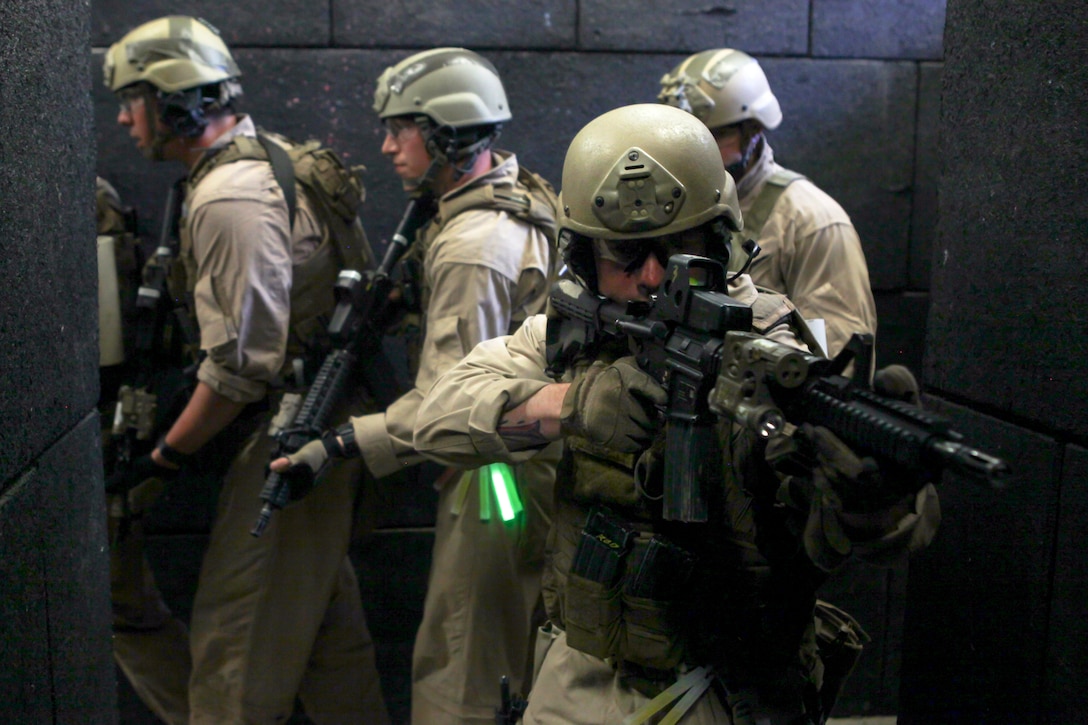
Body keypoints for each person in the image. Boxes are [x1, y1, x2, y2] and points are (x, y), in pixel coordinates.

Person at [411, 103, 941, 724]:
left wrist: (867, 502)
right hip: (577, 678)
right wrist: (572, 405)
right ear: (582, 257)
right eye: (626, 256)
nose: (655, 279)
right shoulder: (574, 334)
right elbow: (436, 420)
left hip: (725, 692)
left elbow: (871, 535)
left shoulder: (773, 349)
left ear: (720, 238)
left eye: (681, 251)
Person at [102, 15, 389, 723]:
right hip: (317, 433)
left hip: (288, 441)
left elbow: (240, 370)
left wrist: (163, 459)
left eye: (132, 99)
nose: (122, 116)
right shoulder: (270, 161)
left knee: (233, 669)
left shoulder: (230, 198)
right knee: (331, 653)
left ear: (175, 102)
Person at [272, 48, 560, 724]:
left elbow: (445, 406)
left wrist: (338, 443)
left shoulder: (468, 245)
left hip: (494, 481)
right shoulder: (514, 203)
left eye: (401, 128)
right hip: (524, 458)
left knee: (462, 665)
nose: (387, 145)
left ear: (447, 134)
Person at [659, 49, 876, 358]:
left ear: (753, 130)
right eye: (686, 139)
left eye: (712, 137)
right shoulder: (675, 205)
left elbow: (836, 363)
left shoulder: (811, 221)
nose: (695, 154)